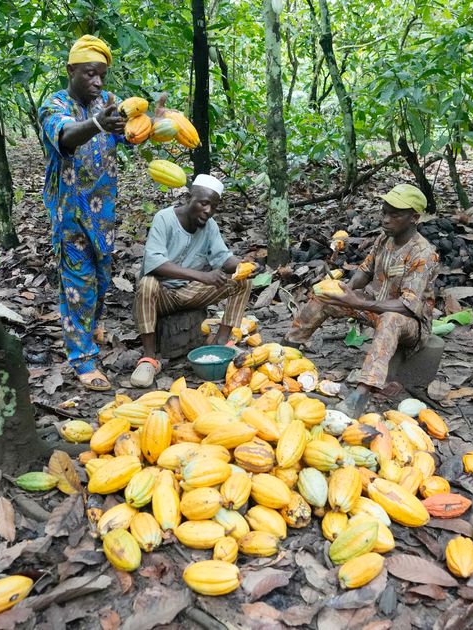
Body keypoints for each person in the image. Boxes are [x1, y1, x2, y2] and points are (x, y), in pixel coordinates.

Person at [283, 184, 440, 417]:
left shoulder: (423, 254)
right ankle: (286, 350)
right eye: (384, 212)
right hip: (375, 305)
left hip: (410, 324)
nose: (385, 220)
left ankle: (361, 393)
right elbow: (364, 272)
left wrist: (358, 303)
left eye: (394, 215)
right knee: (327, 297)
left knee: (390, 320)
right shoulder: (383, 239)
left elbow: (407, 306)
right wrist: (347, 288)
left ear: (414, 218)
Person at [38, 35, 127, 391]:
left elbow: (128, 134)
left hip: (103, 209)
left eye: (102, 75)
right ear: (71, 70)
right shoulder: (53, 104)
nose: (98, 82)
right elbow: (66, 137)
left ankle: (90, 328)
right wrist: (98, 124)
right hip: (70, 213)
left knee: (102, 280)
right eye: (91, 74)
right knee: (78, 286)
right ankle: (82, 358)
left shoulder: (106, 101)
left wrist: (153, 122)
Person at [130, 174, 254, 388]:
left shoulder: (210, 226)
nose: (208, 211)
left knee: (242, 282)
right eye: (203, 203)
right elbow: (155, 263)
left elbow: (222, 258)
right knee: (147, 283)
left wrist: (244, 264)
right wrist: (201, 276)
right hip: (161, 296)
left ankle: (222, 342)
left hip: (189, 293)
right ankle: (149, 359)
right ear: (188, 198)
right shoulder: (164, 218)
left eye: (213, 206)